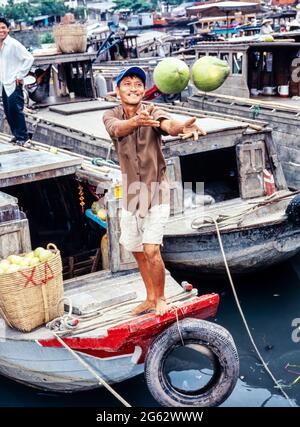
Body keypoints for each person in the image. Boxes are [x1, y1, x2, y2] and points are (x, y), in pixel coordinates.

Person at [103, 66, 206, 316]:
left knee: (151, 249)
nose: (133, 88)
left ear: (143, 90)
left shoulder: (152, 111)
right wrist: (135, 121)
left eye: (138, 84)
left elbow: (166, 124)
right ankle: (149, 298)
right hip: (130, 193)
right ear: (118, 90)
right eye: (127, 83)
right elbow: (116, 129)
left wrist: (181, 127)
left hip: (157, 191)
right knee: (137, 251)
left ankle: (161, 298)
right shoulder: (110, 115)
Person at [0, 17, 34, 147]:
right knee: (8, 111)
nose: (1, 30)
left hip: (14, 82)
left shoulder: (13, 44)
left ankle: (24, 138)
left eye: (3, 27)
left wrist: (20, 75)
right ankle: (16, 135)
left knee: (16, 109)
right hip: (4, 83)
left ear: (8, 29)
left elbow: (29, 58)